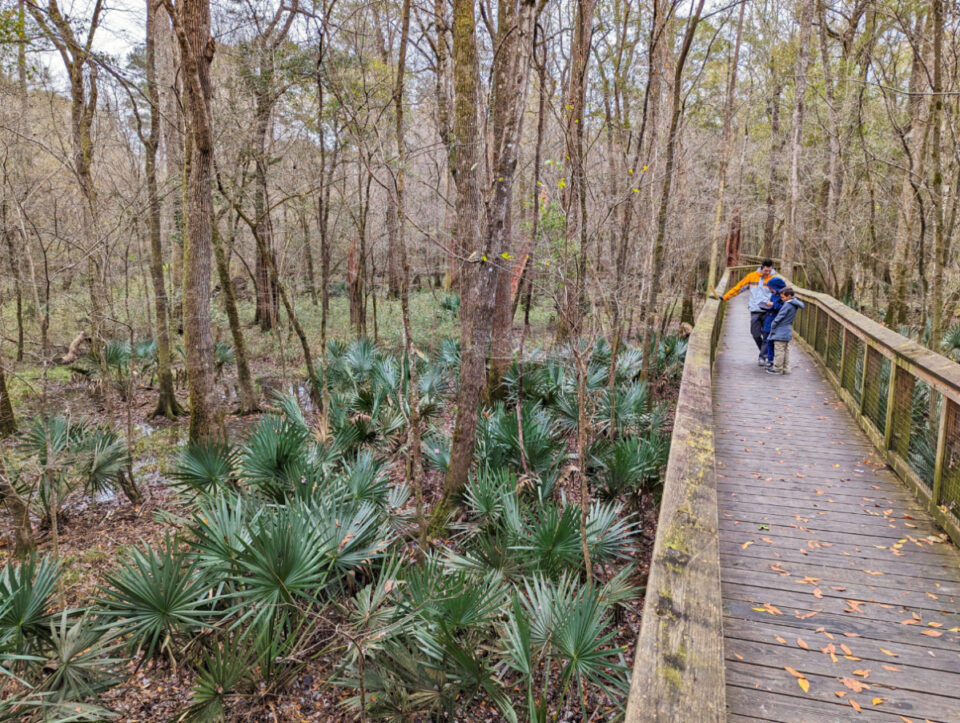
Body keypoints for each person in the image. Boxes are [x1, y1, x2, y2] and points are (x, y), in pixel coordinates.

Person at [721, 258, 785, 365]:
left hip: (769, 311)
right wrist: (725, 297)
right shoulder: (752, 276)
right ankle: (766, 352)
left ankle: (763, 357)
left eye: (769, 270)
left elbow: (783, 293)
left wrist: (777, 305)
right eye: (766, 270)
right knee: (755, 333)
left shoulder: (774, 279)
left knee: (766, 333)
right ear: (762, 267)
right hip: (755, 309)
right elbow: (739, 287)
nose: (767, 272)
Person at [766, 287, 805, 375]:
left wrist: (773, 324)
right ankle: (786, 368)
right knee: (785, 350)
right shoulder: (794, 304)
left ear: (789, 296)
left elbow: (780, 316)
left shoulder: (787, 305)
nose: (782, 299)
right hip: (787, 330)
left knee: (779, 350)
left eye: (783, 297)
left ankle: (777, 368)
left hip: (780, 330)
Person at [761, 276, 787, 369]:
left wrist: (773, 305)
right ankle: (770, 359)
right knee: (768, 340)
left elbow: (784, 308)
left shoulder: (784, 296)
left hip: (777, 322)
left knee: (776, 343)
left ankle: (776, 362)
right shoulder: (773, 295)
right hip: (769, 319)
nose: (771, 290)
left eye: (772, 288)